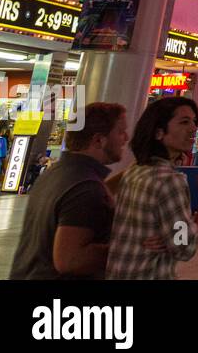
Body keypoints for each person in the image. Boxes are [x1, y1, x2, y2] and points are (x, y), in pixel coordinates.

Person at [106, 97, 198, 279]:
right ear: (159, 132)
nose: (193, 128)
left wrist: (170, 234)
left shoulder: (135, 171)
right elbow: (185, 247)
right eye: (184, 122)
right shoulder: (170, 180)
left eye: (194, 122)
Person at [10, 102, 128, 280]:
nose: (126, 138)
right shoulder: (86, 188)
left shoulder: (57, 173)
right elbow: (70, 260)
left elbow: (87, 199)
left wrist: (132, 173)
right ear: (98, 140)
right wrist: (132, 245)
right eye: (120, 131)